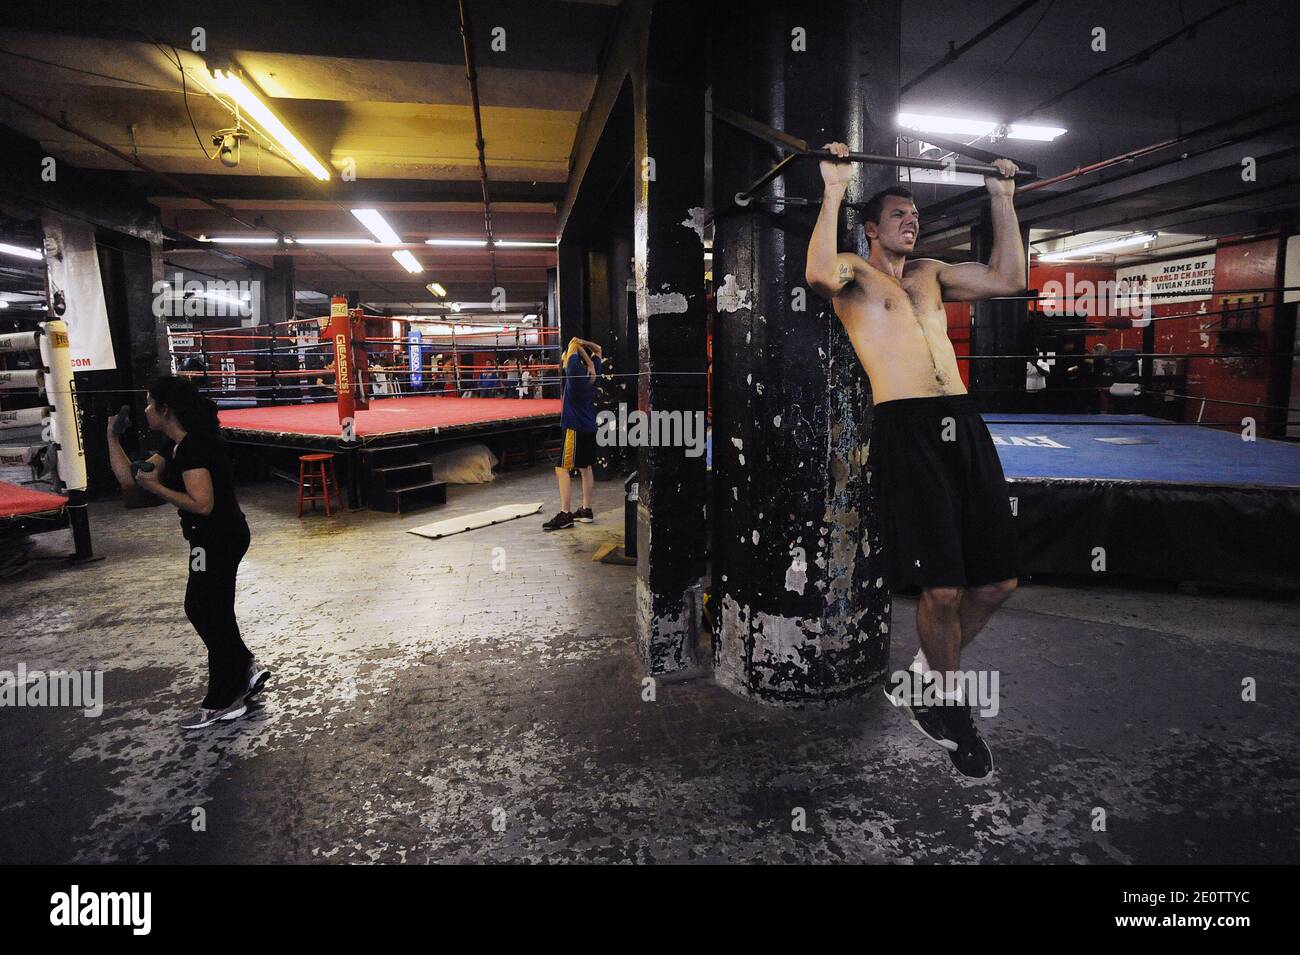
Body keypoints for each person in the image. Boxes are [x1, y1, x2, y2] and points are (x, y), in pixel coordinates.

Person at [805, 143, 1025, 780]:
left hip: (962, 421)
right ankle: (945, 705)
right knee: (944, 587)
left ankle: (926, 675)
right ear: (871, 227)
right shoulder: (852, 273)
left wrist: (1002, 200)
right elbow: (818, 273)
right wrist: (833, 186)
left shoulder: (930, 274)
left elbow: (1008, 279)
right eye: (898, 214)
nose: (912, 222)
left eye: (914, 216)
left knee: (998, 582)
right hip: (906, 427)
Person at [105, 376, 268, 730]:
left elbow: (203, 504)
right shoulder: (174, 446)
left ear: (166, 410)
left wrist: (159, 488)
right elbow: (131, 479)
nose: (146, 409)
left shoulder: (194, 449)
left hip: (217, 538)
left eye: (150, 403)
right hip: (211, 538)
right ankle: (244, 669)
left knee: (204, 610)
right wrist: (112, 437)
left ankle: (227, 698)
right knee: (212, 610)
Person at [543, 337, 601, 530]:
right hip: (589, 426)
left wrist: (578, 346)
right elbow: (598, 348)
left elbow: (574, 343)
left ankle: (565, 514)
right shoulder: (593, 371)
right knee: (585, 468)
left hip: (574, 428)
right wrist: (591, 361)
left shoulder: (575, 371)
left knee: (561, 469)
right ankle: (586, 510)